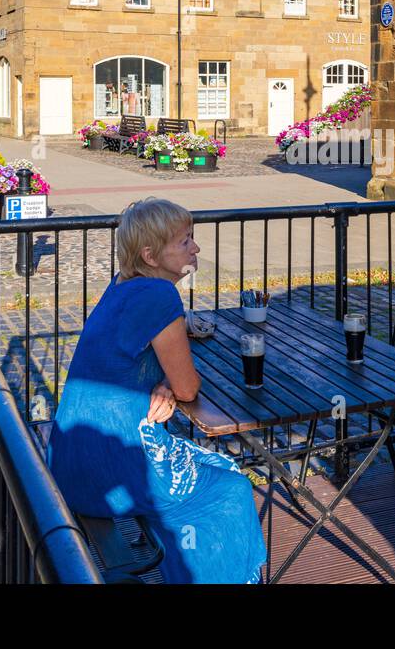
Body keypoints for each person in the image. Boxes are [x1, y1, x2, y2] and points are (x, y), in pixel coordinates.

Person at [48, 198, 266, 583]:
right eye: (185, 241)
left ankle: (179, 567)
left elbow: (138, 355)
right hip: (109, 468)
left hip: (71, 459)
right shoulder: (160, 296)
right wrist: (170, 383)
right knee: (231, 486)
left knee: (202, 464)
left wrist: (161, 381)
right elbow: (188, 387)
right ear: (150, 255)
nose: (195, 248)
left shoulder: (123, 285)